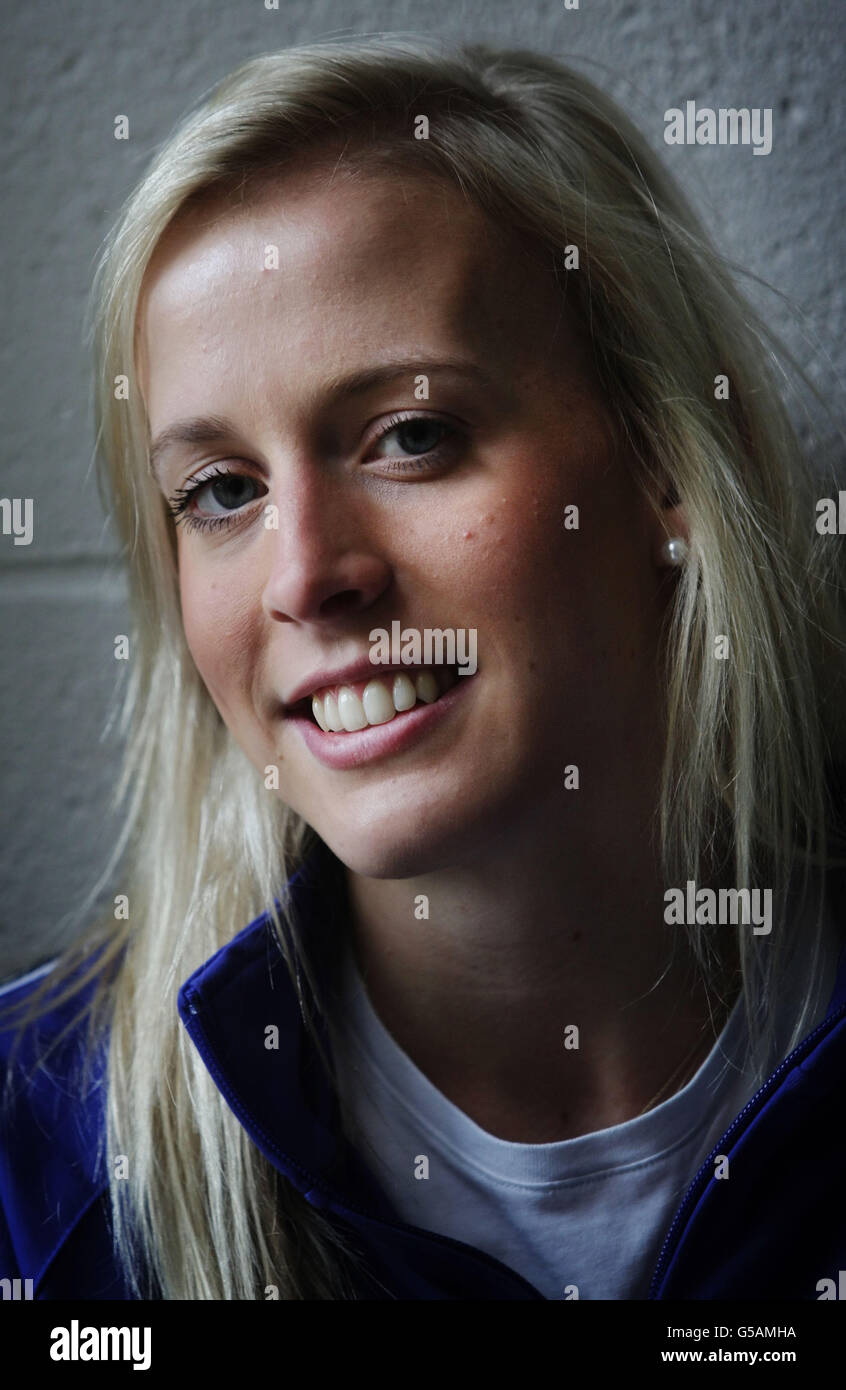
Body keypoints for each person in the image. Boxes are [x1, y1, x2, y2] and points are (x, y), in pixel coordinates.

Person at [1, 34, 844, 1303]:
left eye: (410, 436)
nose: (304, 575)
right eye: (221, 490)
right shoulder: (33, 1155)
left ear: (668, 461)